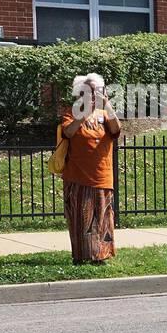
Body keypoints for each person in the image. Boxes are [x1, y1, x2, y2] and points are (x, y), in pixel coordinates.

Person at [59, 73, 121, 264]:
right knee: (82, 219)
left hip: (102, 176)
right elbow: (68, 132)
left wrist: (107, 106)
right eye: (89, 91)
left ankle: (101, 256)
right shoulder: (71, 112)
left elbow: (116, 130)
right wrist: (84, 112)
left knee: (103, 219)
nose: (94, 94)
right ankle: (82, 256)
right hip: (79, 177)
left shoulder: (105, 113)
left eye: (97, 90)